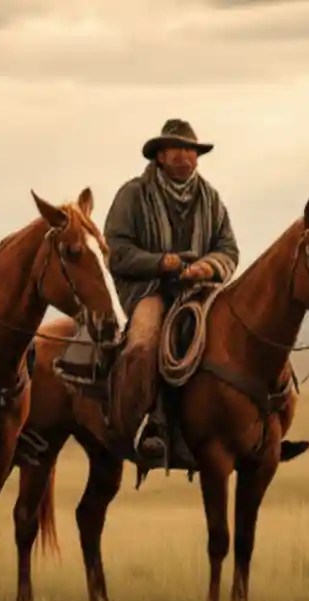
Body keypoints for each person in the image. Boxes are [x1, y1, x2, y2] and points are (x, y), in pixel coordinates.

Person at [104, 118, 240, 462]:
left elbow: (228, 249)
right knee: (144, 344)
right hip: (148, 290)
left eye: (190, 150)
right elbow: (115, 250)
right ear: (159, 156)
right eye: (176, 149)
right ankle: (148, 422)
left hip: (200, 291)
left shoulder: (210, 198)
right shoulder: (133, 194)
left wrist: (208, 266)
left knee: (239, 337)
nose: (185, 156)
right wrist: (161, 263)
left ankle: (249, 421)